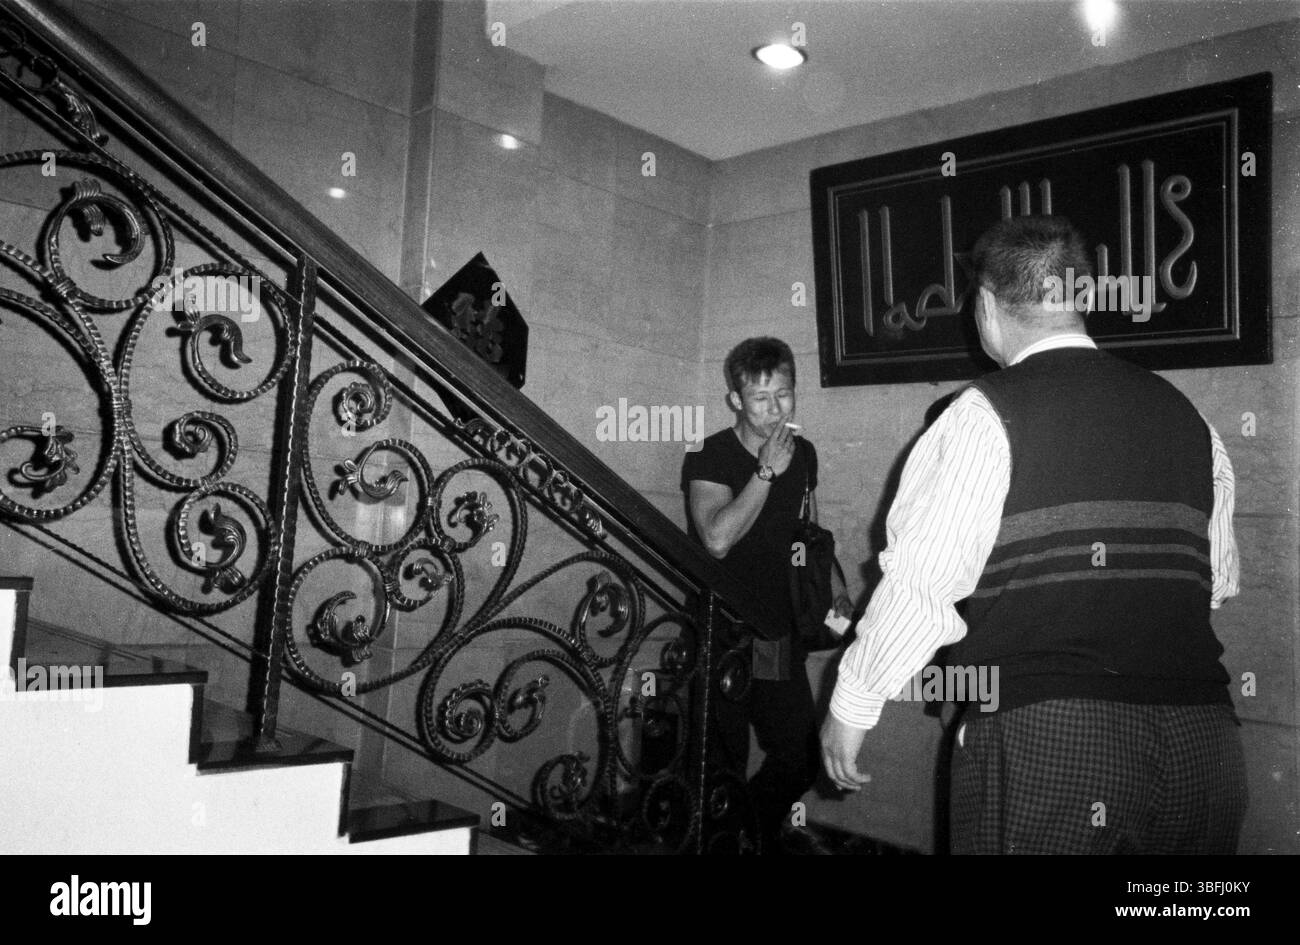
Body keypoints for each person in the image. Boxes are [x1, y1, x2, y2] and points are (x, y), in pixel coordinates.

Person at [821, 216, 1247, 854]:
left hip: (1049, 743)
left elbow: (921, 586)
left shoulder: (982, 413)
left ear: (987, 307)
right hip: (1205, 746)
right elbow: (1215, 585)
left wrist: (850, 707)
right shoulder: (1191, 417)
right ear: (1080, 296)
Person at [683, 336, 849, 853]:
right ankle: (716, 841)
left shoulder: (804, 452)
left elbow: (807, 528)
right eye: (760, 398)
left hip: (774, 632)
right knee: (719, 757)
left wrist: (834, 585)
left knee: (799, 754)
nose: (775, 409)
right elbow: (716, 539)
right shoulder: (709, 454)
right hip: (724, 627)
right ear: (735, 399)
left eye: (784, 395)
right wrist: (764, 473)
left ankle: (743, 835)